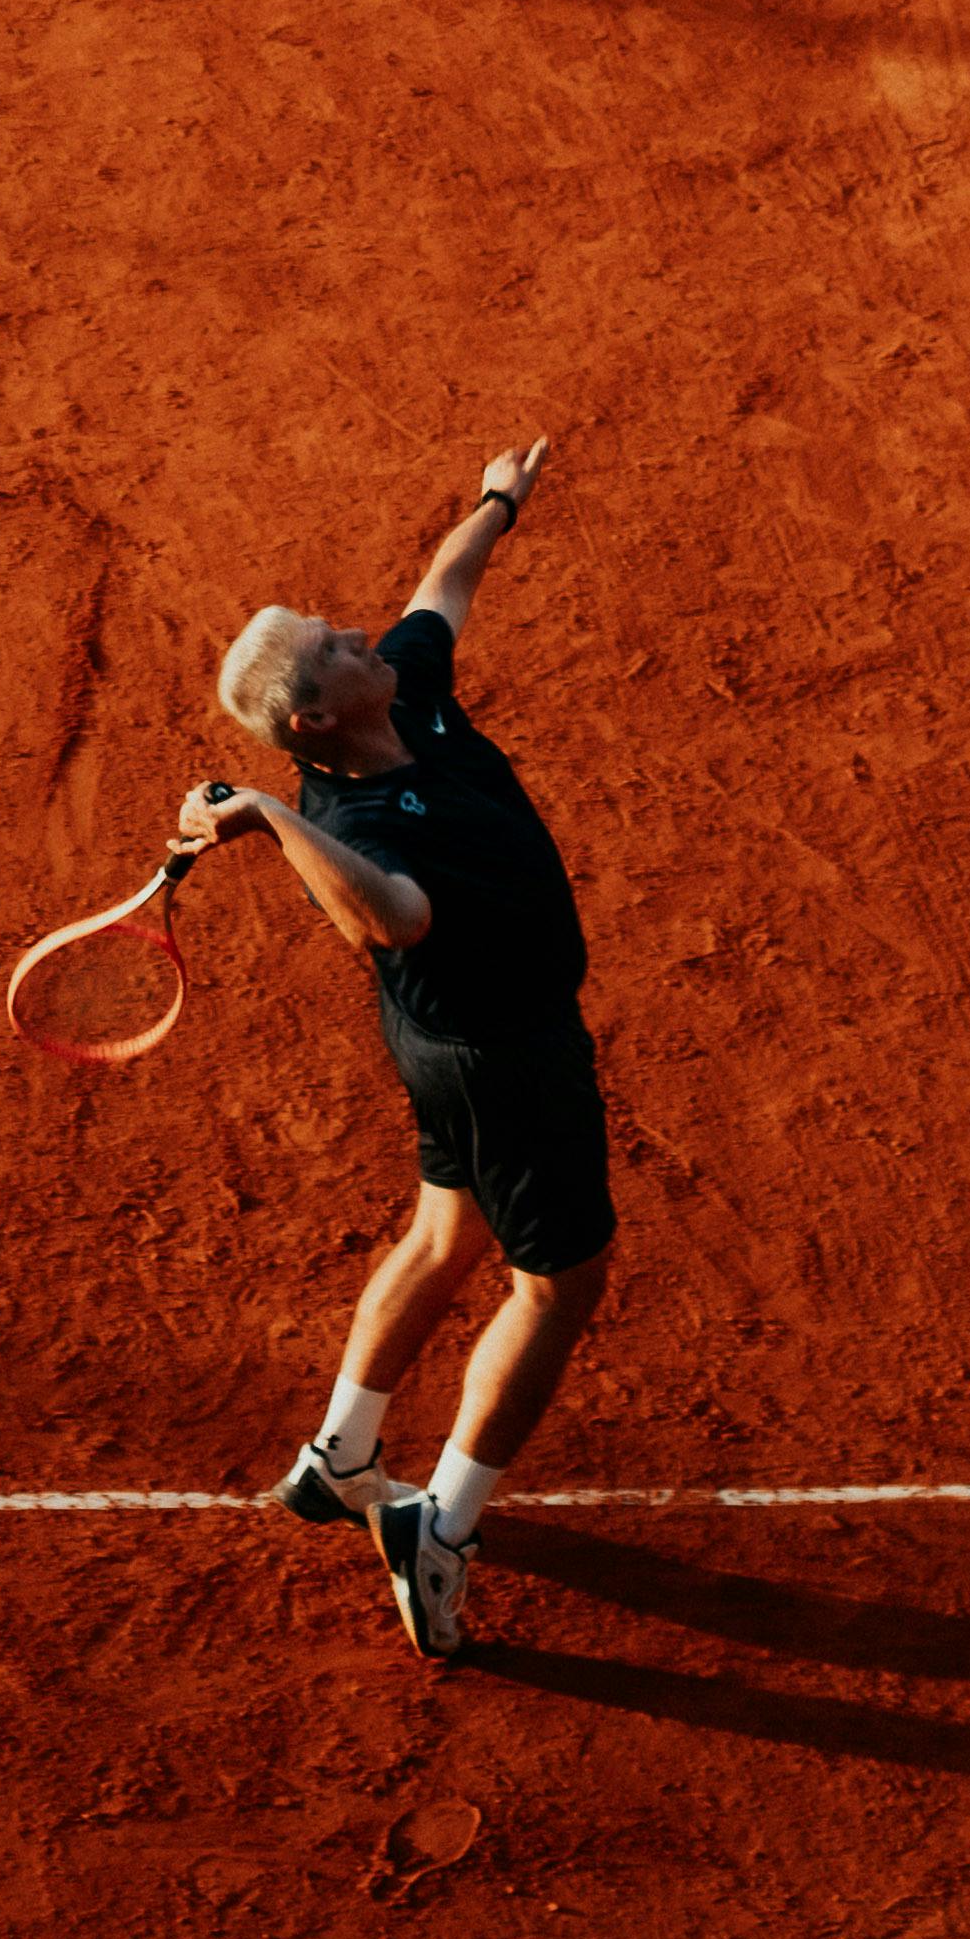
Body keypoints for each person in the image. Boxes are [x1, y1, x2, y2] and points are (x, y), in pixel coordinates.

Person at [176, 441, 614, 1666]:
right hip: (501, 1053)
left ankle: (342, 1453)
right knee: (556, 1287)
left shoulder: (403, 691)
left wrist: (495, 503)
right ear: (315, 718)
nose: (357, 633)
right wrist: (273, 817)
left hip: (442, 1042)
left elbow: (441, 588)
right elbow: (391, 918)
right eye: (333, 647)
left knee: (441, 1234)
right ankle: (442, 1527)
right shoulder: (351, 819)